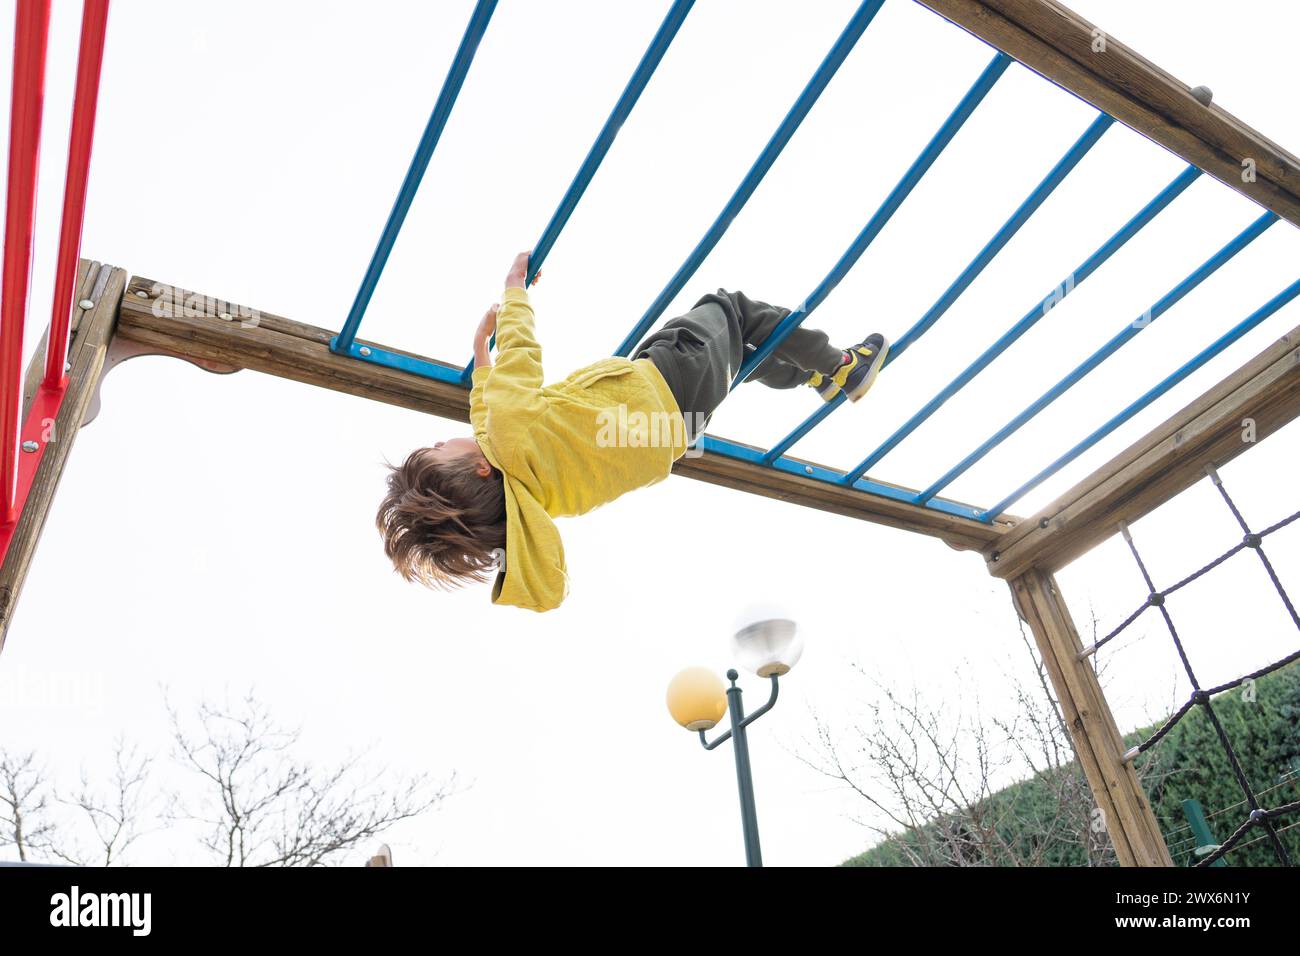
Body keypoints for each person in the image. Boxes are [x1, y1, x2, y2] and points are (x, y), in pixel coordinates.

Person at [376, 250, 889, 611]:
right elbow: (522, 365)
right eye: (440, 449)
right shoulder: (511, 435)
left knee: (742, 352)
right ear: (481, 466)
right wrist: (514, 296)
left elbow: (490, 408)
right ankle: (843, 366)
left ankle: (813, 377)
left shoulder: (538, 496)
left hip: (680, 427)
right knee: (731, 309)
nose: (445, 439)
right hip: (664, 383)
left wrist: (479, 353)